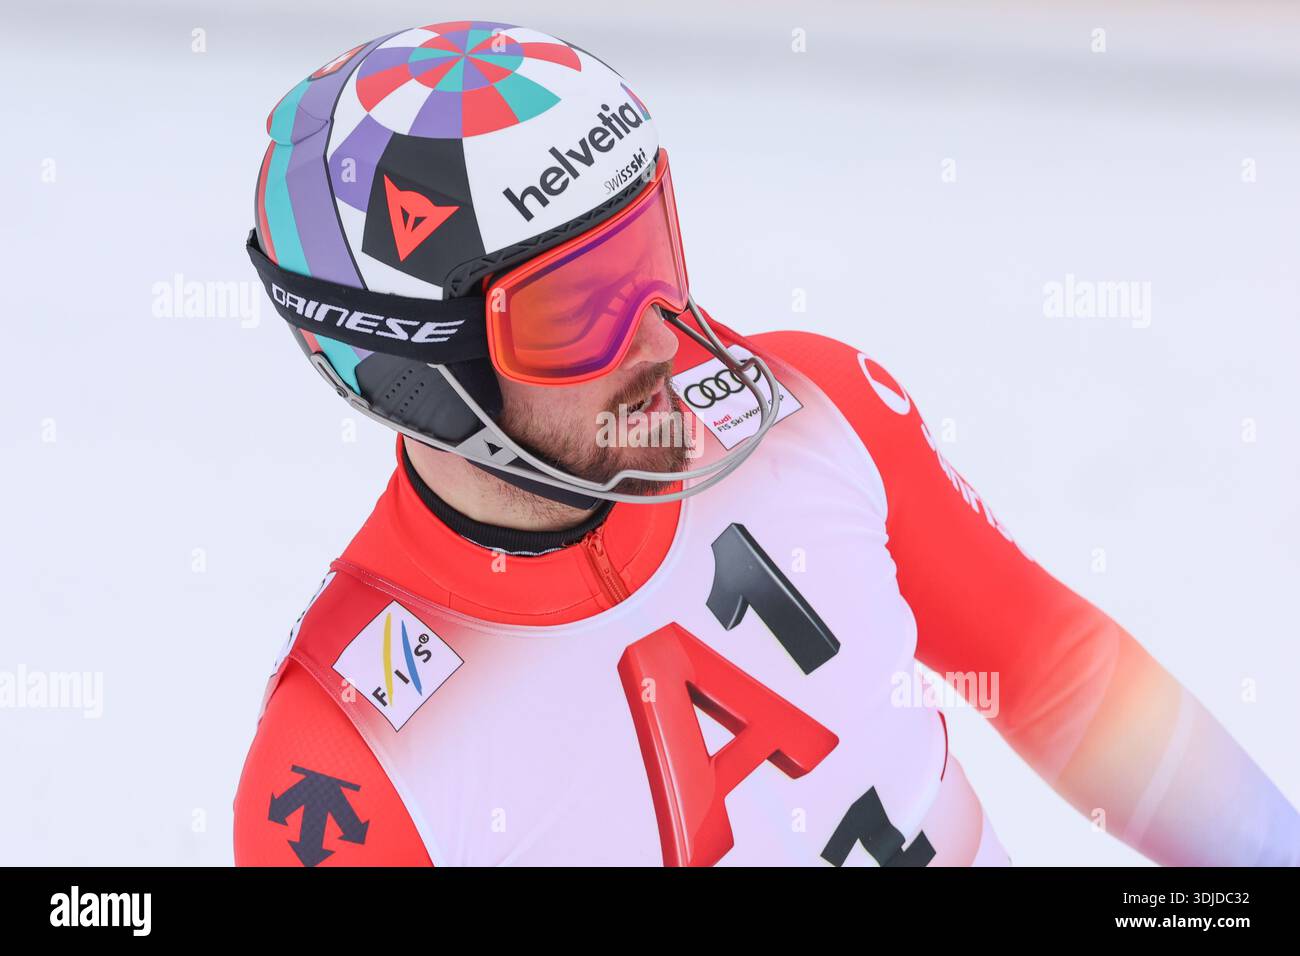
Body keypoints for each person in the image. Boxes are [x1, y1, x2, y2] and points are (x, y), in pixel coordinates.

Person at [233, 20, 1299, 866]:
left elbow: (1055, 677)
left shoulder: (815, 409)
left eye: (650, 253)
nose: (662, 338)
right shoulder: (344, 759)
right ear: (417, 373)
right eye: (575, 310)